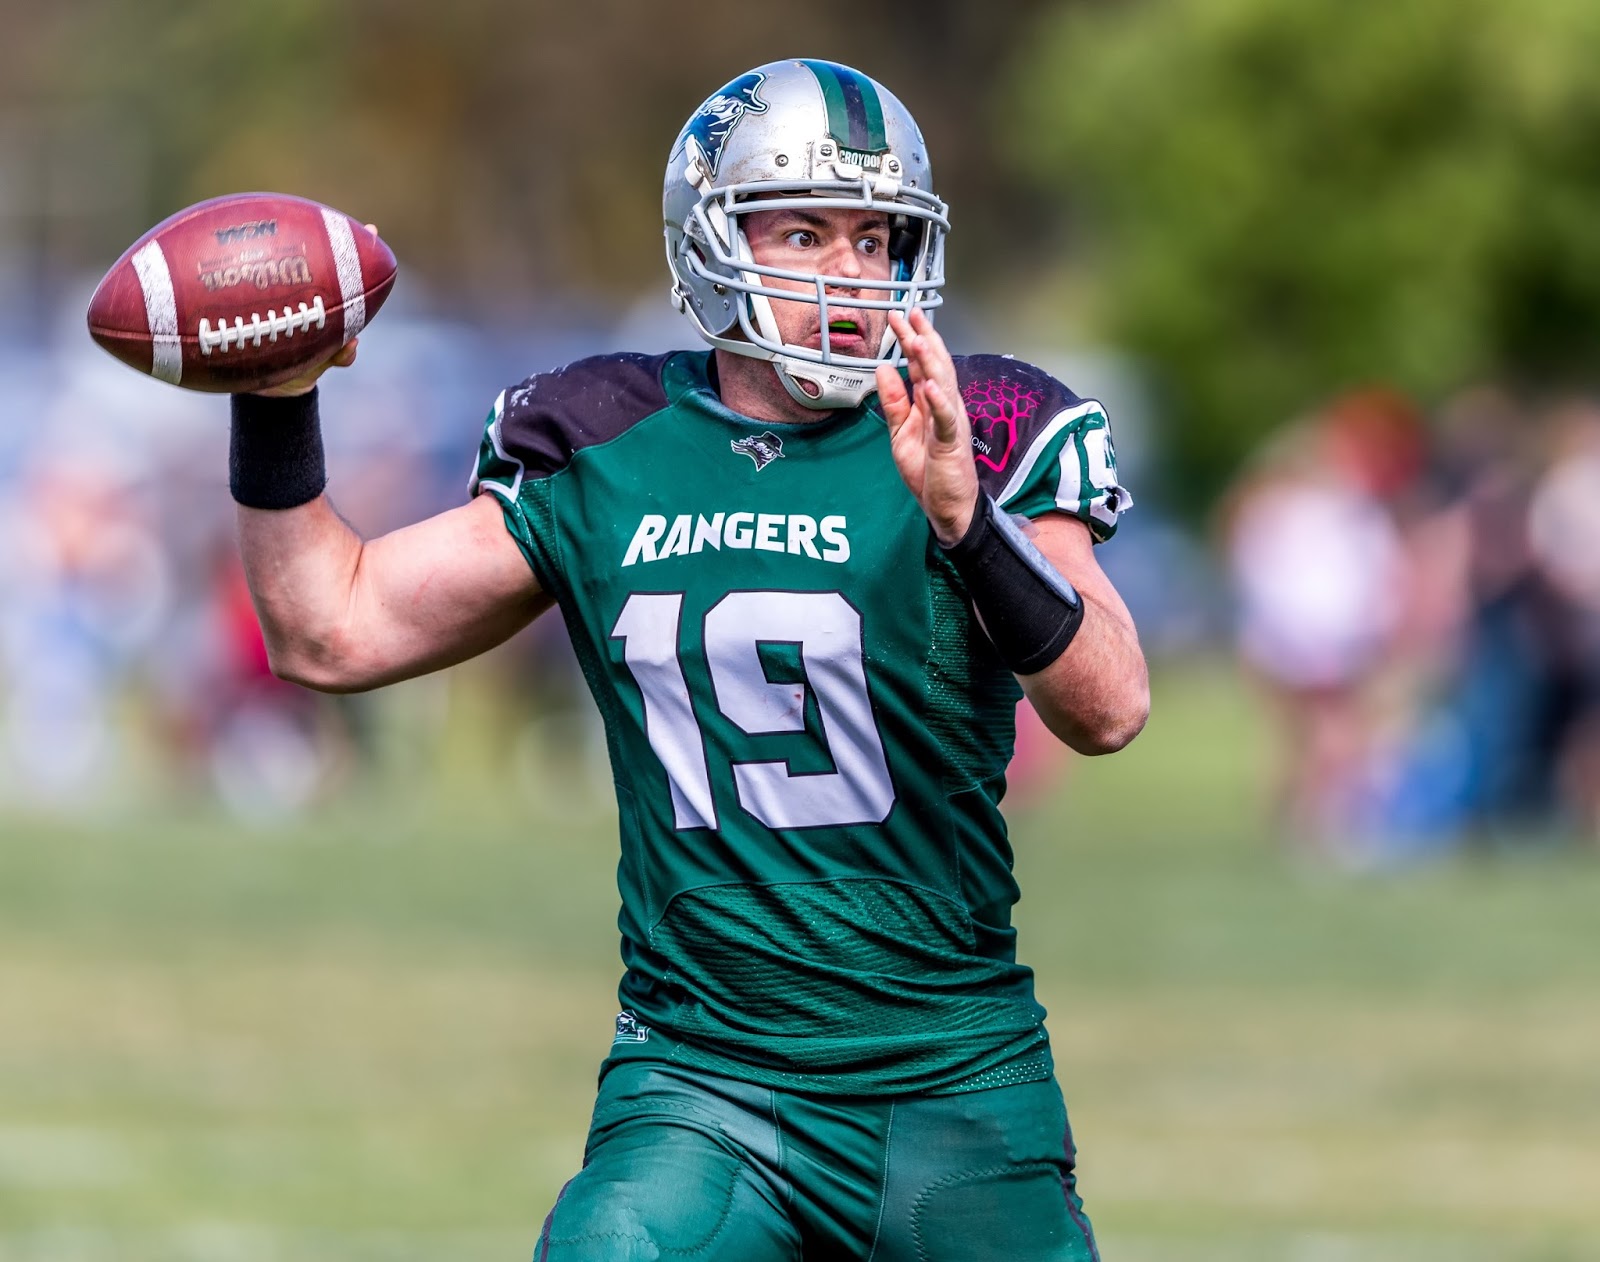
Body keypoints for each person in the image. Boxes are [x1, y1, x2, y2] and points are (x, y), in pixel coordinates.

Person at [226, 59, 1146, 1261]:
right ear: (710, 240)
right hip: (706, 1086)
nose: (850, 274)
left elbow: (1111, 705)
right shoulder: (605, 438)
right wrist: (275, 397)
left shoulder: (982, 420)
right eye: (806, 231)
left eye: (878, 238)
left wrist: (971, 524)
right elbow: (328, 625)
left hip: (953, 1079)